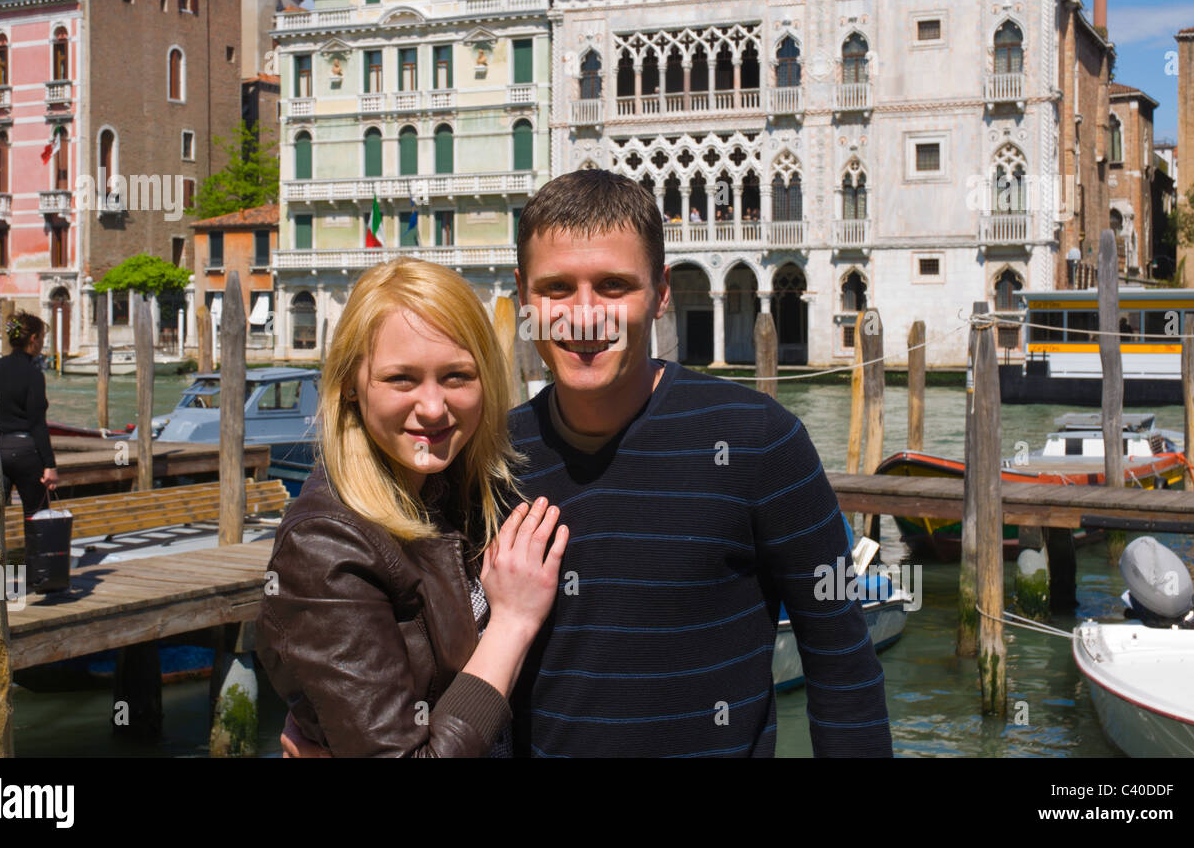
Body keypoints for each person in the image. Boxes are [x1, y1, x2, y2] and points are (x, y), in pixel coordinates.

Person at [284, 170, 891, 758]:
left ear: (660, 295)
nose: (584, 315)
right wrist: (320, 722)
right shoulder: (487, 459)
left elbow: (841, 664)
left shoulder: (761, 441)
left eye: (613, 286)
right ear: (524, 297)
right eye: (556, 289)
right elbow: (411, 641)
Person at [256, 258, 569, 757]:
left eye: (456, 376)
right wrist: (511, 623)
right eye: (401, 378)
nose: (432, 407)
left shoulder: (458, 488)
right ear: (352, 387)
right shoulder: (324, 544)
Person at [0, 311, 58, 518]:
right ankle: (36, 550)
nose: (42, 343)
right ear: (33, 339)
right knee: (36, 515)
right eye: (42, 338)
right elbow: (38, 423)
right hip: (26, 452)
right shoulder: (34, 375)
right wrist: (50, 465)